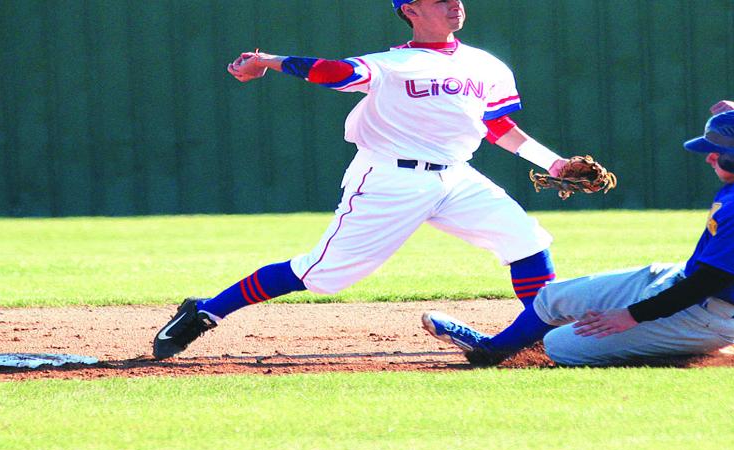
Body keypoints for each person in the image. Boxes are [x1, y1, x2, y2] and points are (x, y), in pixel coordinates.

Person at [153, 0, 597, 360]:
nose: (455, 5)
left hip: (457, 176)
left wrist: (552, 163)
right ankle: (206, 311)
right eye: (440, 0)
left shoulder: (487, 65)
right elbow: (336, 73)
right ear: (410, 10)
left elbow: (496, 125)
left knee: (526, 240)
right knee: (322, 272)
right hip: (389, 178)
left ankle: (540, 334)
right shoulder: (392, 63)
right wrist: (269, 61)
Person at [420, 104, 734, 367]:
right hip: (681, 278)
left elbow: (706, 285)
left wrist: (631, 316)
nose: (710, 155)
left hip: (708, 314)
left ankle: (693, 350)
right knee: (551, 298)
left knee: (561, 346)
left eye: (718, 150)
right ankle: (489, 352)